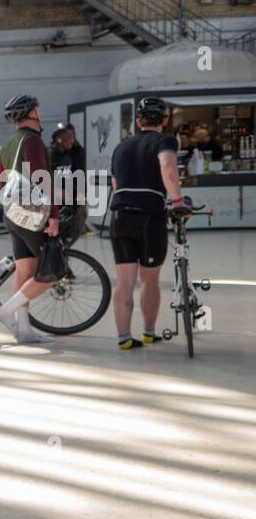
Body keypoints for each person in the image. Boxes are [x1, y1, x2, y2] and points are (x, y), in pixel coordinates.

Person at [109, 96, 187, 350]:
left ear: (137, 121)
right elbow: (167, 166)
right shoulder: (164, 140)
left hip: (120, 216)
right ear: (164, 120)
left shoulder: (121, 147)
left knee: (124, 281)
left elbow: (115, 185)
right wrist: (176, 201)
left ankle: (123, 339)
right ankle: (148, 333)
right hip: (149, 218)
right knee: (150, 279)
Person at [0, 94, 59, 344]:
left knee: (25, 270)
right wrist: (53, 215)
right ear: (32, 113)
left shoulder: (9, 143)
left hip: (13, 214)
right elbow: (42, 178)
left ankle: (23, 329)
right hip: (33, 215)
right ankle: (6, 311)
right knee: (54, 270)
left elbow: (1, 180)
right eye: (37, 109)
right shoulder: (32, 141)